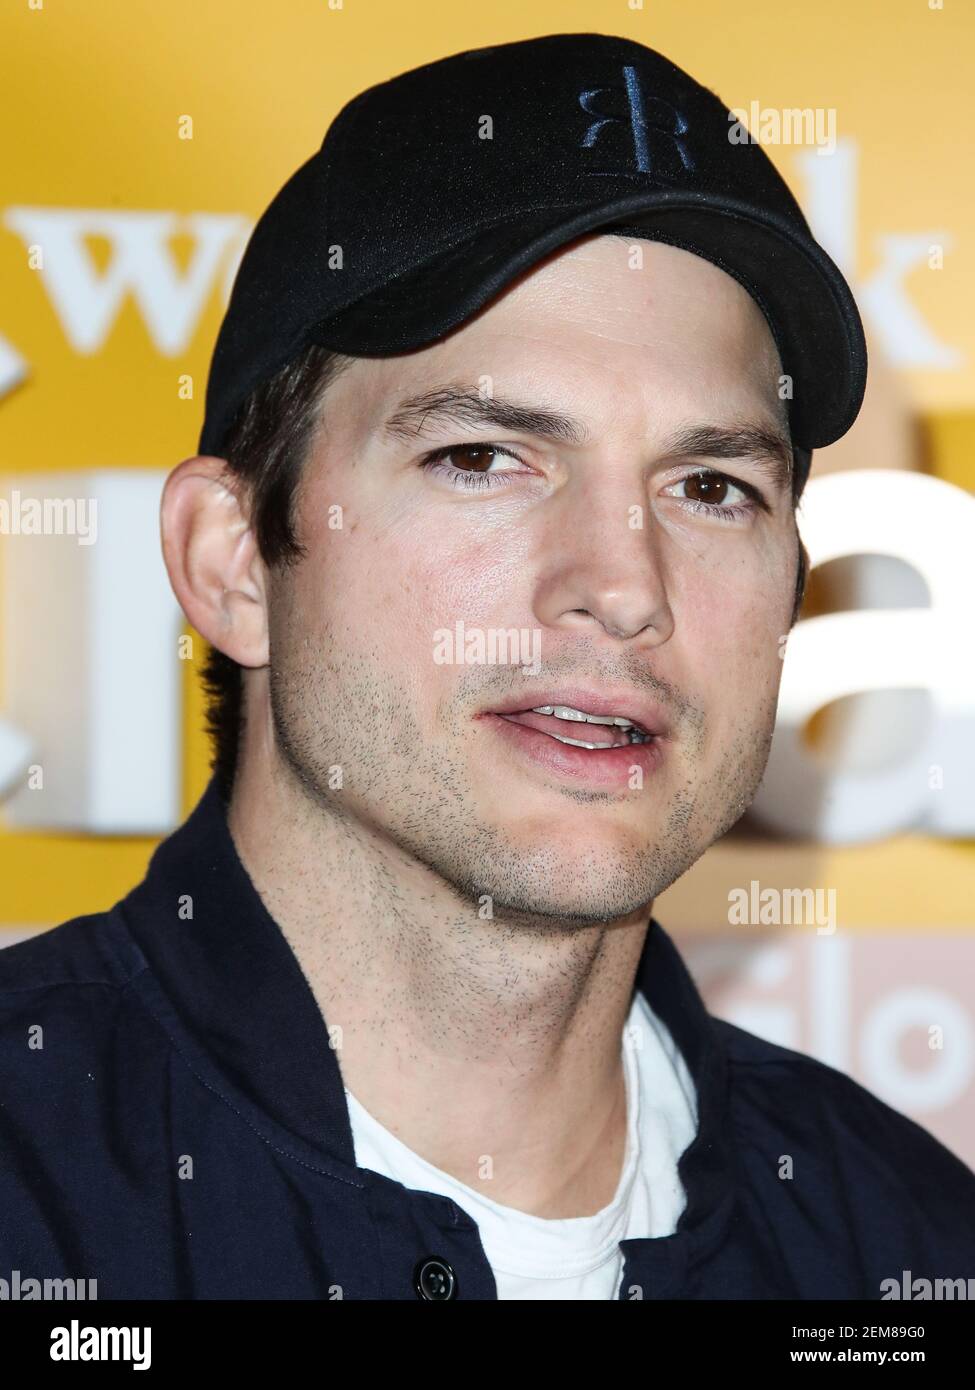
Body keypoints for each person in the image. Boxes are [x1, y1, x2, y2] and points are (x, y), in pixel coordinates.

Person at [1, 32, 973, 1302]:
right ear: (234, 559)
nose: (625, 586)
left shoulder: (906, 1247)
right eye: (483, 458)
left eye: (711, 486)